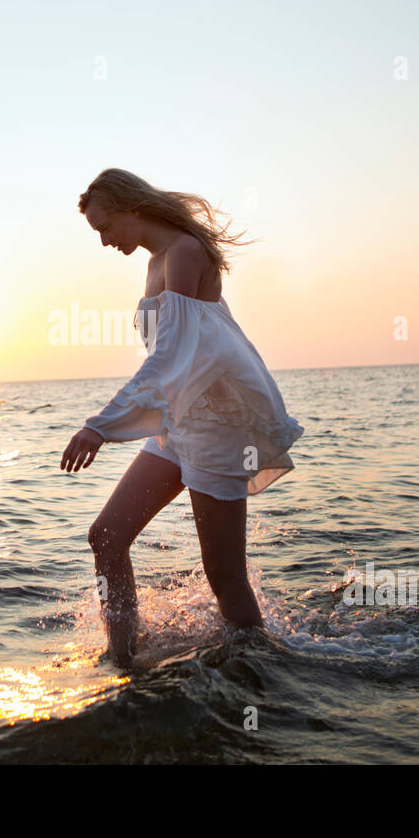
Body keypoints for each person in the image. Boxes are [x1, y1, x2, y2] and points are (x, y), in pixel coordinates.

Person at [60, 168, 305, 669]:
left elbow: (170, 354)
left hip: (217, 426)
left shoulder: (187, 252)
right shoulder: (155, 260)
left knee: (225, 576)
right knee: (106, 536)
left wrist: (100, 425)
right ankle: (123, 659)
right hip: (178, 425)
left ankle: (266, 671)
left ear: (131, 207)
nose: (106, 242)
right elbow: (170, 361)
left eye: (106, 228)